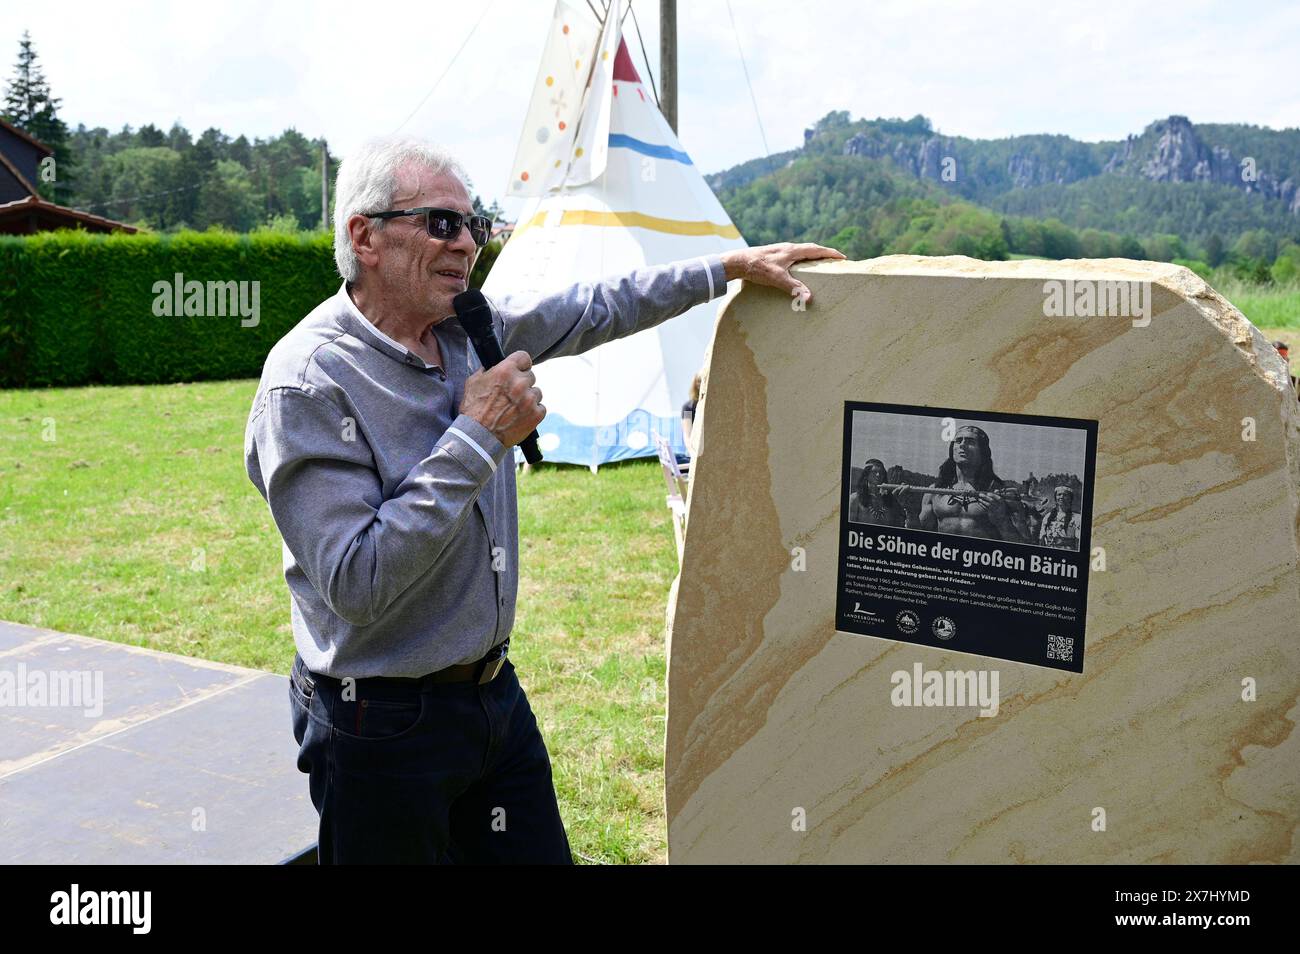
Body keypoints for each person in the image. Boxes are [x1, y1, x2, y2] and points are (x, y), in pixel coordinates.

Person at [242, 135, 845, 864]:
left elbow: (599, 306)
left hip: (492, 696)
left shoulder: (468, 325)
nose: (467, 242)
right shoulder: (307, 381)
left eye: (476, 223)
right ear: (364, 235)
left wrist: (728, 267)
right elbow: (358, 582)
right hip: (377, 725)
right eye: (441, 222)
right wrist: (477, 435)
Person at [913, 425, 1029, 543]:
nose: (962, 445)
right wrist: (910, 511)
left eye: (970, 441)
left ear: (983, 452)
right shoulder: (935, 492)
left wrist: (1002, 521)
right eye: (958, 441)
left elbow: (1025, 548)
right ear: (952, 449)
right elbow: (919, 538)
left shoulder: (1004, 495)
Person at [848, 458, 906, 527]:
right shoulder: (854, 499)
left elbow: (900, 525)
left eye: (881, 472)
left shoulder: (890, 500)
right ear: (866, 474)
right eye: (874, 472)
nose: (878, 475)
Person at [1038, 485, 1082, 551]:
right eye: (1059, 494)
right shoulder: (1047, 517)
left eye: (1065, 495)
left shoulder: (1077, 518)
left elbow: (1078, 543)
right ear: (1055, 498)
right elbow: (1042, 540)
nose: (1061, 497)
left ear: (1070, 498)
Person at [681, 370, 702, 459]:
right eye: (700, 381)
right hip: (694, 453)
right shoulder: (687, 407)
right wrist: (693, 453)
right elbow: (687, 435)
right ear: (696, 384)